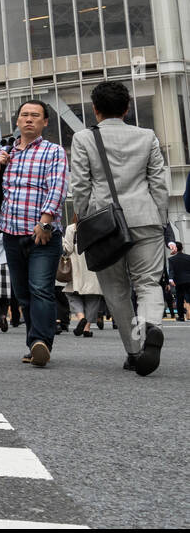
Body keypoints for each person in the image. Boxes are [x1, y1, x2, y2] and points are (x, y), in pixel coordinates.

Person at [69, 81, 168, 376]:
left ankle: (136, 351)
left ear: (95, 110)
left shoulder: (84, 138)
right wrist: (159, 218)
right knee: (148, 282)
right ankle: (150, 324)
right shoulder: (147, 136)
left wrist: (85, 218)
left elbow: (80, 186)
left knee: (115, 289)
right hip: (145, 218)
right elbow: (159, 183)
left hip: (105, 223)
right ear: (127, 108)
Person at [0, 100, 67, 367]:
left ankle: (42, 341)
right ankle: (34, 343)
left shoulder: (54, 151)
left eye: (35, 115)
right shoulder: (7, 151)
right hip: (11, 233)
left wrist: (45, 222)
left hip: (41, 234)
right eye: (24, 115)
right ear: (18, 121)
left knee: (41, 289)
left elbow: (57, 188)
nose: (29, 119)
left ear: (45, 122)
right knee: (22, 294)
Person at [62, 217, 103, 336]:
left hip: (76, 267)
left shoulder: (72, 228)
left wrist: (62, 241)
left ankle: (81, 318)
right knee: (93, 297)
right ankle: (87, 328)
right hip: (93, 265)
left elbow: (68, 249)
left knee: (72, 295)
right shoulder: (98, 226)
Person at [169, 241, 190, 322]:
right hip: (189, 280)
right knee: (189, 297)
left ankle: (181, 317)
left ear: (175, 248)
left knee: (180, 299)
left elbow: (171, 271)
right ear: (182, 248)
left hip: (179, 281)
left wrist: (171, 279)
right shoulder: (188, 257)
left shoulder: (172, 259)